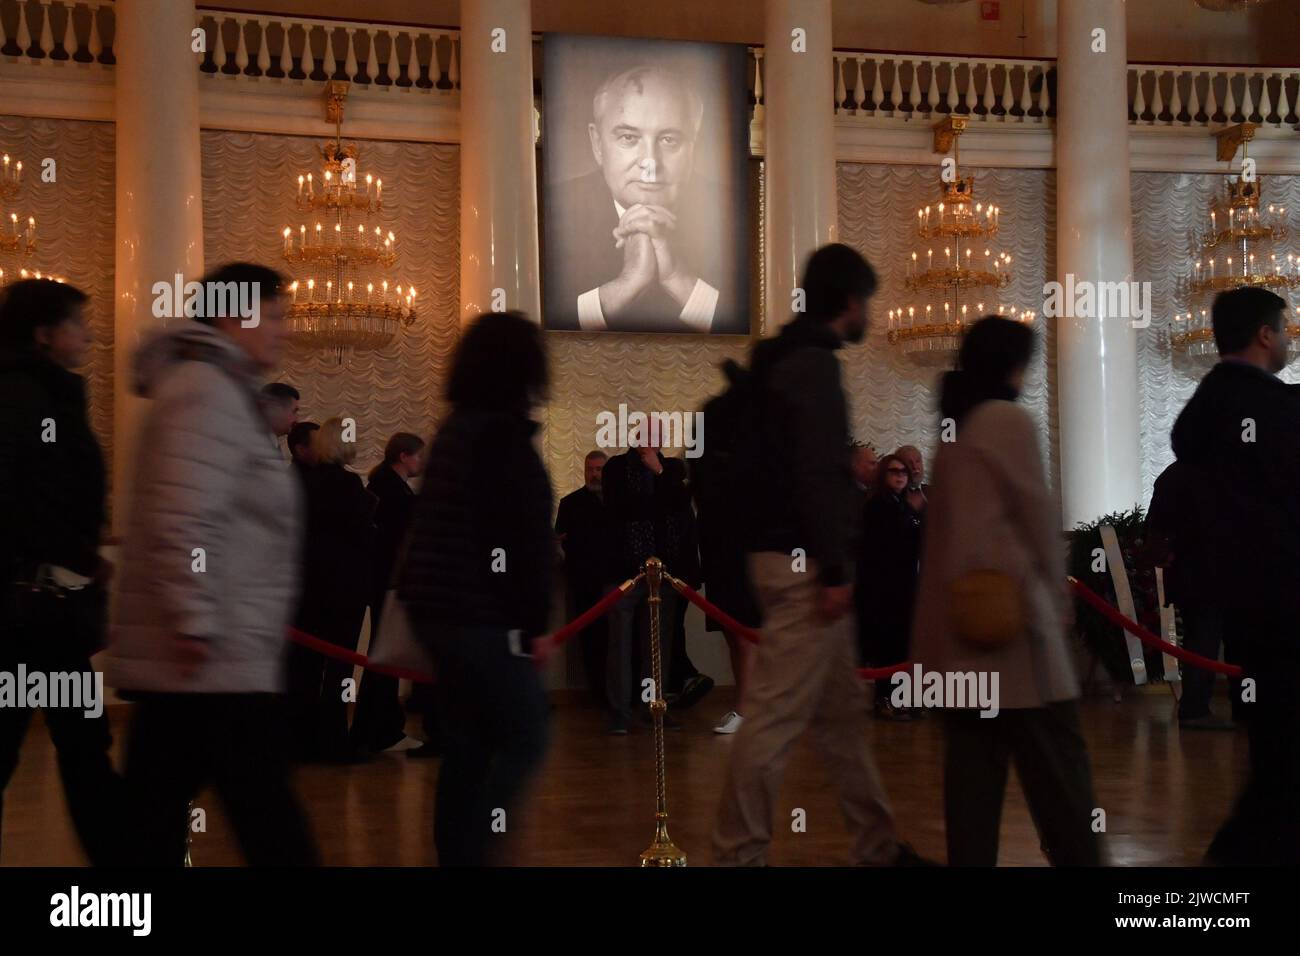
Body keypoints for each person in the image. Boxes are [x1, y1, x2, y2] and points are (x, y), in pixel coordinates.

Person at [107, 262, 318, 866]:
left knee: (153, 817)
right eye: (274, 316)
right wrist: (195, 618)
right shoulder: (205, 393)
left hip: (207, 656)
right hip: (211, 655)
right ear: (233, 314)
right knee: (268, 822)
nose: (283, 330)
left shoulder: (213, 389)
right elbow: (184, 517)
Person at [713, 243, 915, 867]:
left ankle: (878, 848)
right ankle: (735, 857)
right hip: (805, 567)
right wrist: (833, 570)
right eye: (867, 303)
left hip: (784, 559)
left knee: (842, 720)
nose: (871, 316)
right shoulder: (814, 367)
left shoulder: (781, 359)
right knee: (772, 722)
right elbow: (819, 477)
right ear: (849, 301)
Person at [911, 316, 1101, 867]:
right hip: (1016, 636)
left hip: (961, 640)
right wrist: (1060, 598)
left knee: (972, 792)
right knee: (1062, 785)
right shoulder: (1007, 421)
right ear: (1012, 366)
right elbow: (1038, 519)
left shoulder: (956, 430)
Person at [397, 311, 553, 867]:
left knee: (469, 744)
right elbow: (520, 536)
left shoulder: (456, 430)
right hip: (480, 615)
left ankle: (458, 856)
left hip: (440, 611)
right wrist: (532, 624)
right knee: (525, 734)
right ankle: (476, 855)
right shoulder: (500, 435)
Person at [1170, 286, 1300, 865]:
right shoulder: (1275, 409)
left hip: (1243, 600)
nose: (1292, 334)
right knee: (1282, 763)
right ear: (1266, 333)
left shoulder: (1203, 408)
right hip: (1286, 600)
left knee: (1275, 753)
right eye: (1287, 324)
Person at [0, 278, 122, 866]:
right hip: (32, 611)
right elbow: (30, 500)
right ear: (45, 334)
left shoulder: (37, 393)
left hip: (35, 610)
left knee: (79, 749)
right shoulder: (29, 398)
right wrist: (85, 556)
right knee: (82, 750)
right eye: (79, 323)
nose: (90, 334)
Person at [544, 66, 742, 334]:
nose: (650, 163)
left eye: (669, 140)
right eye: (629, 138)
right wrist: (625, 285)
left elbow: (743, 331)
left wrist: (678, 279)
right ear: (597, 143)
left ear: (693, 147)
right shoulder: (549, 209)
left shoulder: (736, 212)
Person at [287, 417, 377, 763]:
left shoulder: (303, 483)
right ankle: (334, 743)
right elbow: (362, 535)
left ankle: (302, 741)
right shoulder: (347, 483)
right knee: (340, 668)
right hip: (343, 588)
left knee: (305, 667)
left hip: (308, 586)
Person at [602, 438, 694, 734]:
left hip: (662, 572)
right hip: (623, 571)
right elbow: (621, 509)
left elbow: (680, 505)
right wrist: (661, 489)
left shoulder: (671, 467)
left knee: (657, 650)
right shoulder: (616, 467)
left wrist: (659, 473)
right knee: (620, 646)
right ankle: (619, 713)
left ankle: (652, 708)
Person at [1145, 459, 1242, 730]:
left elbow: (1156, 528)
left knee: (1201, 642)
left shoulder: (1174, 475)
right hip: (1232, 573)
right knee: (1233, 644)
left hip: (1192, 576)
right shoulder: (1236, 470)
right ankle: (1240, 708)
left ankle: (1196, 707)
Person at [350, 432, 426, 754]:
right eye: (418, 455)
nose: (421, 462)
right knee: (385, 656)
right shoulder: (392, 491)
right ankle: (379, 731)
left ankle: (382, 728)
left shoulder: (386, 486)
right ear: (405, 456)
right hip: (389, 582)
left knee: (384, 656)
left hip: (384, 581)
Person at [856, 453, 924, 721]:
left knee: (903, 646)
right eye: (893, 471)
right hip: (884, 590)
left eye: (904, 472)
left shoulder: (903, 505)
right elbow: (889, 545)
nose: (899, 475)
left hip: (905, 587)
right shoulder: (877, 506)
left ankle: (903, 698)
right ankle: (886, 698)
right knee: (887, 647)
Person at [555, 450, 614, 705]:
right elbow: (561, 540)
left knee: (618, 640)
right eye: (590, 469)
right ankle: (599, 694)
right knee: (591, 641)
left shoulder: (619, 502)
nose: (594, 474)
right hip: (584, 582)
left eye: (599, 469)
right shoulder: (570, 503)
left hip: (615, 581)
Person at [893, 444, 929, 514]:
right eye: (909, 463)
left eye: (918, 461)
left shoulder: (934, 492)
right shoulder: (893, 497)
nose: (915, 467)